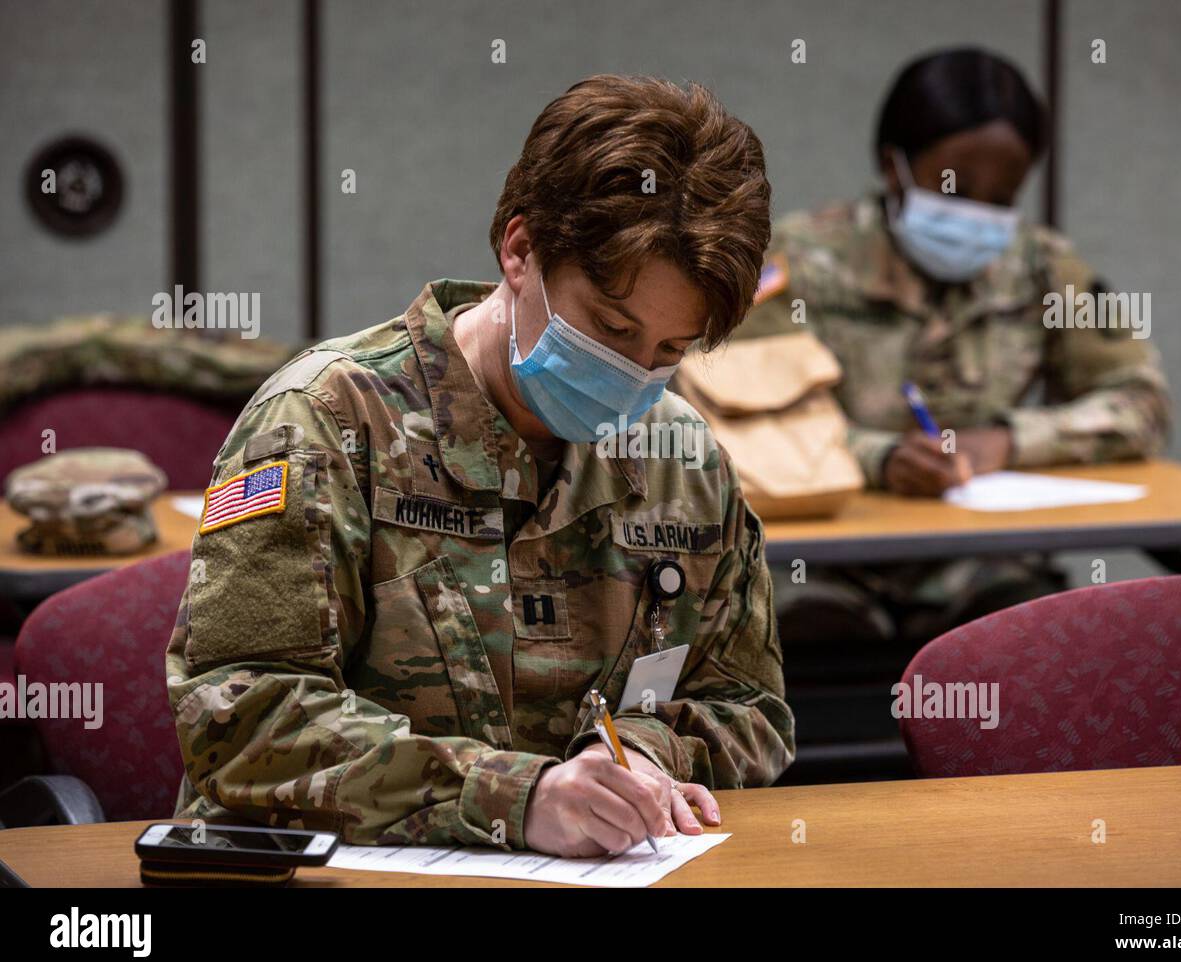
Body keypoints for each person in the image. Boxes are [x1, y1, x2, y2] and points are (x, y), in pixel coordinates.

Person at [165, 75, 794, 858]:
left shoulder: (682, 462)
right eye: (611, 328)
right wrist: (514, 797)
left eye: (669, 351)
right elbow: (242, 719)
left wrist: (638, 754)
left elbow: (748, 705)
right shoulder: (325, 422)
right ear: (521, 250)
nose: (634, 373)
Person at [739, 48, 1172, 645]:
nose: (977, 214)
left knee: (1043, 633)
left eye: (1001, 199)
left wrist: (1008, 440)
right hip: (824, 558)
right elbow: (748, 422)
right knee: (797, 633)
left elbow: (1140, 402)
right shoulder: (798, 262)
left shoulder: (1042, 266)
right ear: (893, 167)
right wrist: (880, 457)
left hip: (978, 559)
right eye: (956, 187)